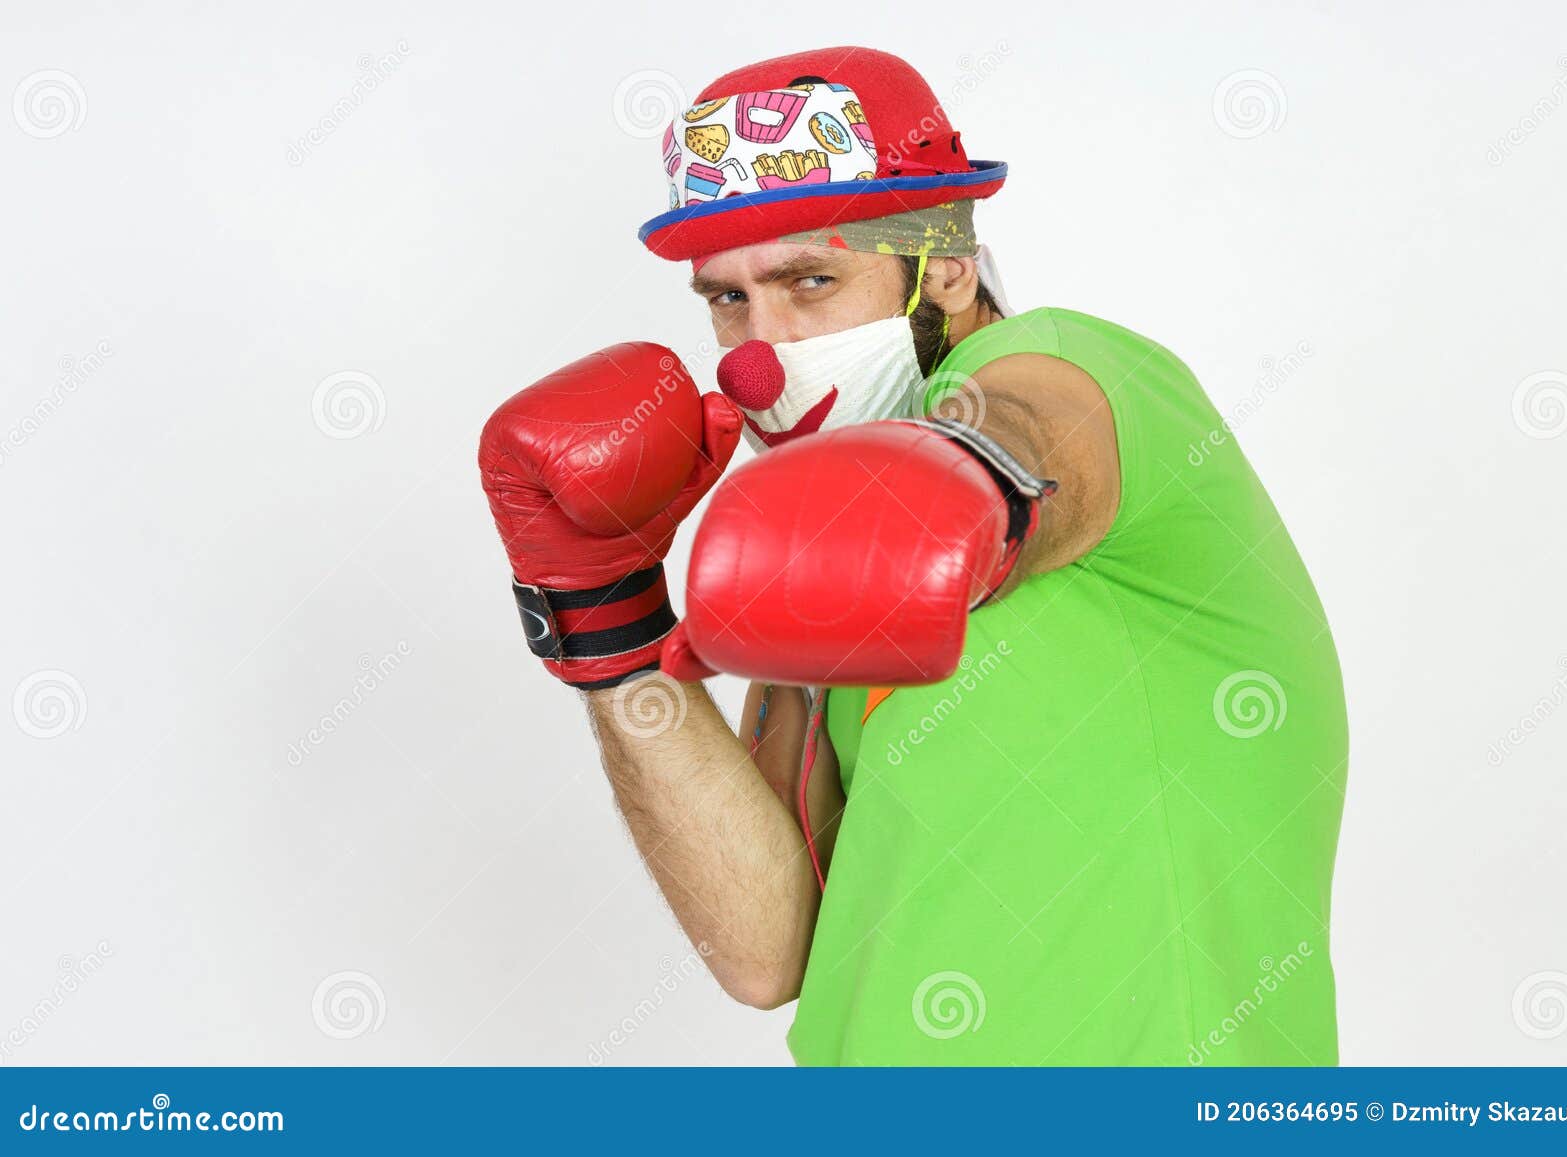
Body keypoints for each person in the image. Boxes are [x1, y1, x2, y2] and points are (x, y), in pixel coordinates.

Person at [479, 46, 1348, 1065]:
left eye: (811, 278)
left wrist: (966, 483)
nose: (762, 346)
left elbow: (1030, 432)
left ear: (944, 262)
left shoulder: (1078, 366)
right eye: (726, 298)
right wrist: (610, 617)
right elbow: (766, 950)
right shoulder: (819, 568)